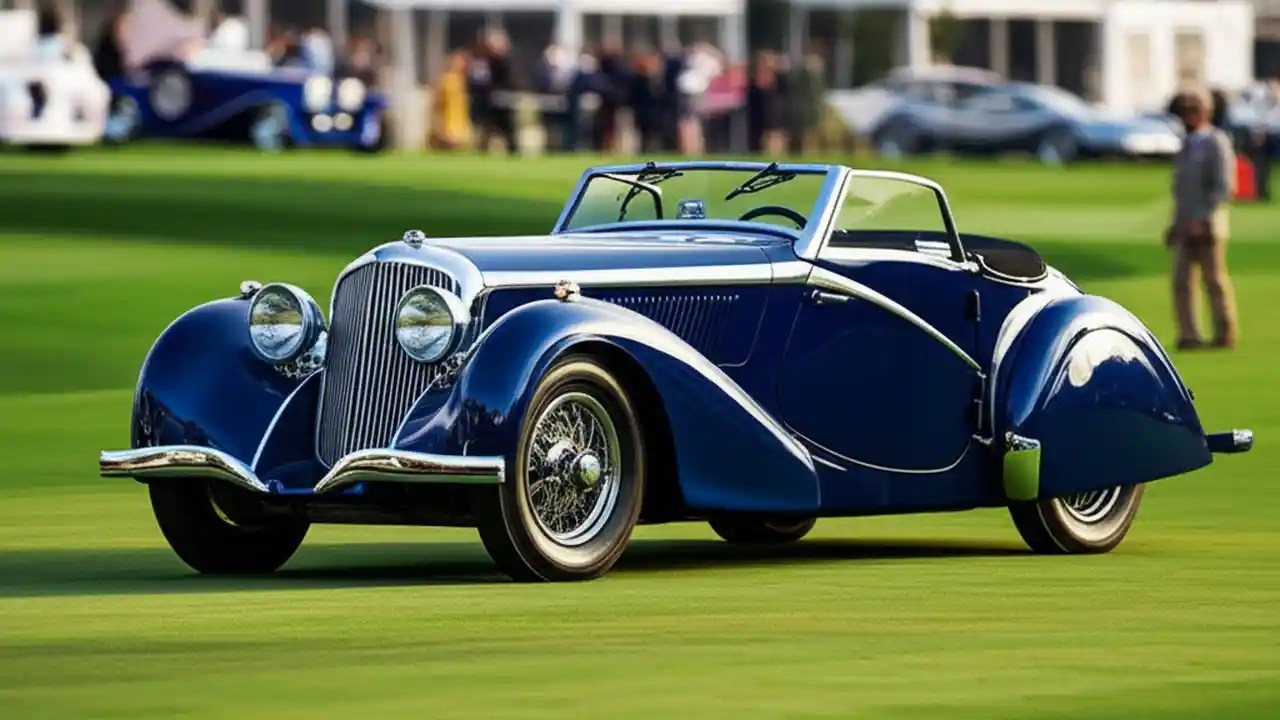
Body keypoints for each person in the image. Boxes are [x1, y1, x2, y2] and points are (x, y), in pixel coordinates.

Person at [1167, 88, 1239, 350]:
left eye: (1193, 110)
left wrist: (1203, 218)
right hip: (1186, 224)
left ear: (1206, 112)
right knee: (1181, 282)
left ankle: (1225, 332)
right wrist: (1177, 223)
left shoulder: (1216, 141)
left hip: (1209, 225)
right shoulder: (1187, 143)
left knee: (1214, 280)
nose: (1188, 116)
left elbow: (1223, 187)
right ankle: (1188, 334)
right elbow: (1181, 191)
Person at [430, 51, 472, 150]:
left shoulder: (461, 79)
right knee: (448, 143)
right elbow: (438, 101)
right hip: (447, 116)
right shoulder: (446, 79)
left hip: (458, 116)